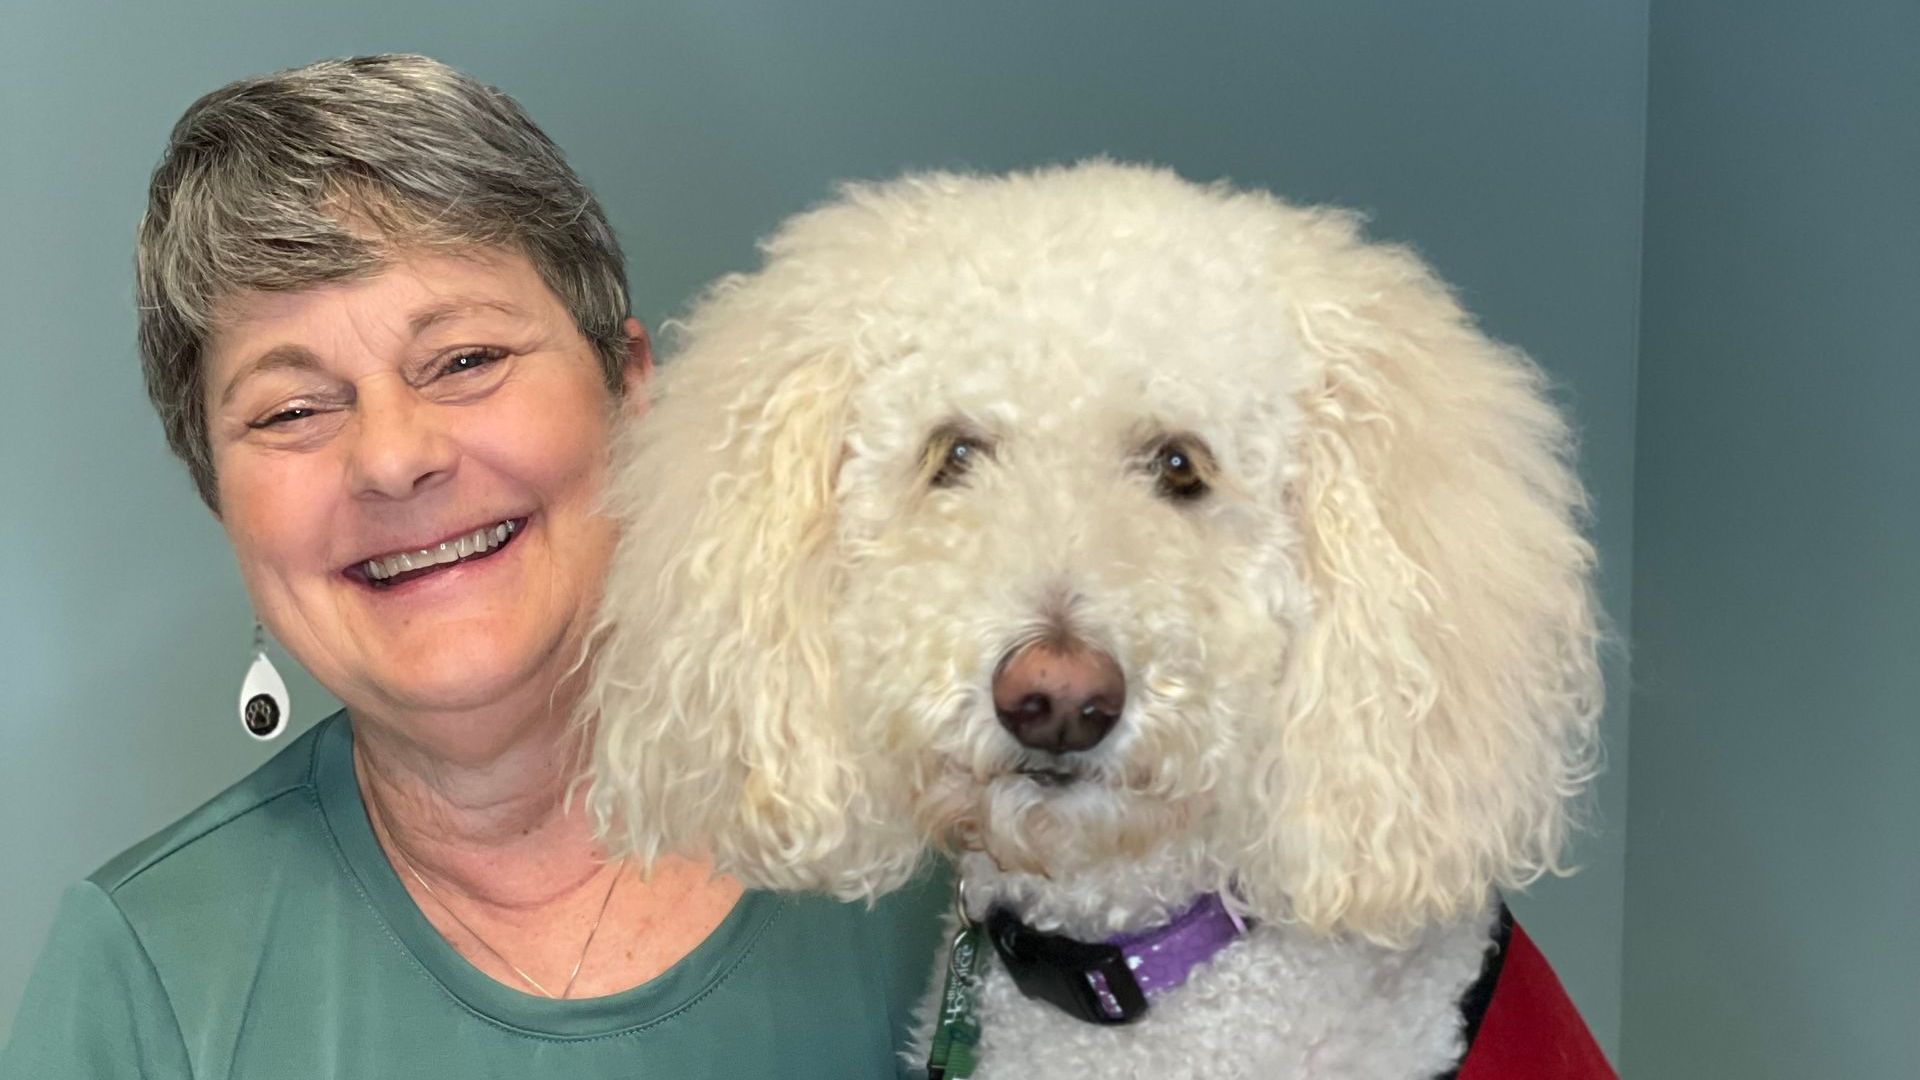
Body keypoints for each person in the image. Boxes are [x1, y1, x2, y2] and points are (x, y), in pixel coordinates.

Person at [0, 54, 945, 1079]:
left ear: (629, 390)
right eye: (291, 410)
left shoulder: (964, 824)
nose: (396, 458)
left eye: (465, 360)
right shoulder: (144, 974)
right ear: (219, 497)